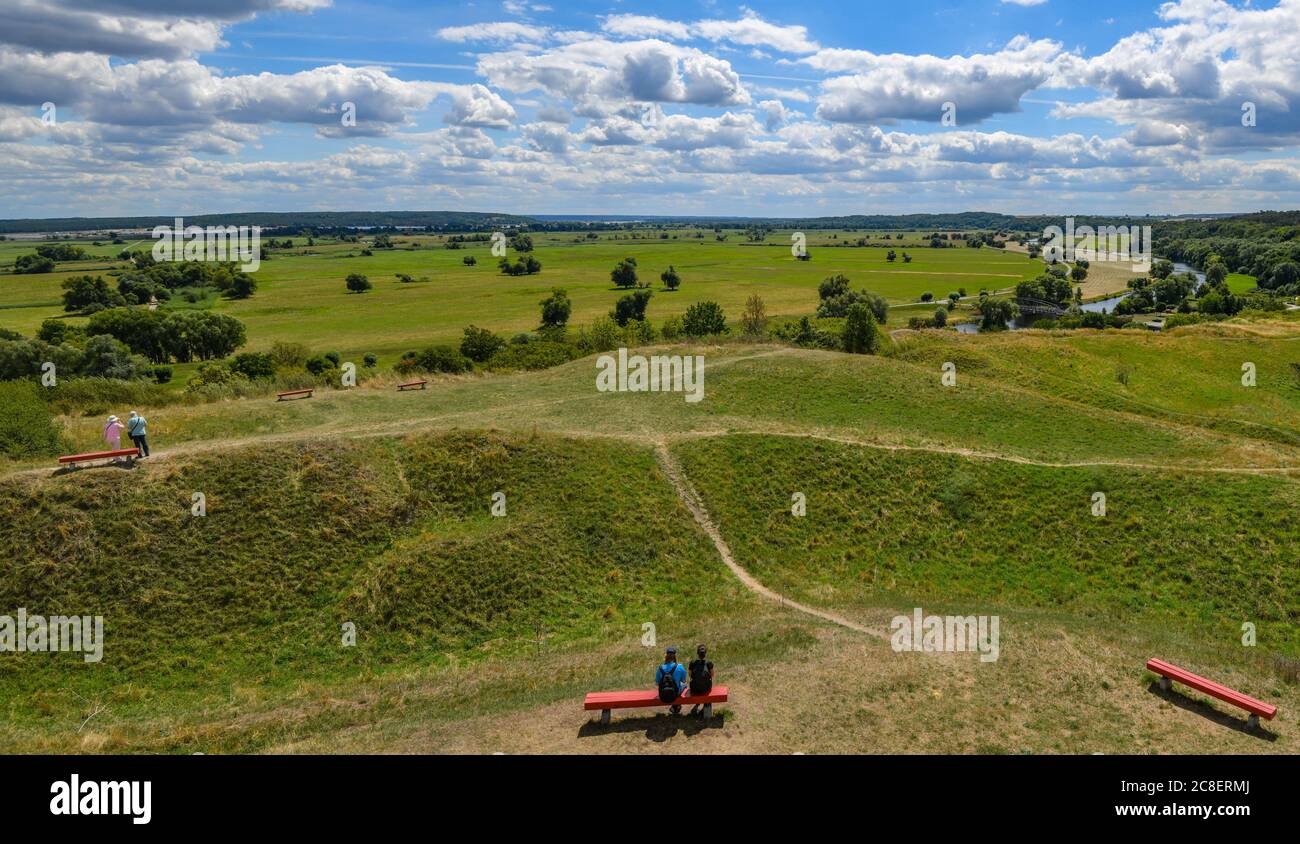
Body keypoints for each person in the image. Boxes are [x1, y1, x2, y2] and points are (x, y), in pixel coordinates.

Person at [655, 646, 687, 715]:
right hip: (675, 692)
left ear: (666, 656)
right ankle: (676, 706)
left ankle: (675, 707)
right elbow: (684, 680)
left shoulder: (660, 668)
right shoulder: (679, 666)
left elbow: (657, 683)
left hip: (663, 692)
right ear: (674, 657)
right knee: (684, 685)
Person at [687, 644, 715, 717]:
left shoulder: (692, 662)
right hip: (705, 688)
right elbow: (712, 675)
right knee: (706, 687)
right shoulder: (709, 663)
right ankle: (706, 709)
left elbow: (690, 675)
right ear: (705, 653)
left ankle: (697, 704)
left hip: (694, 688)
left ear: (697, 653)